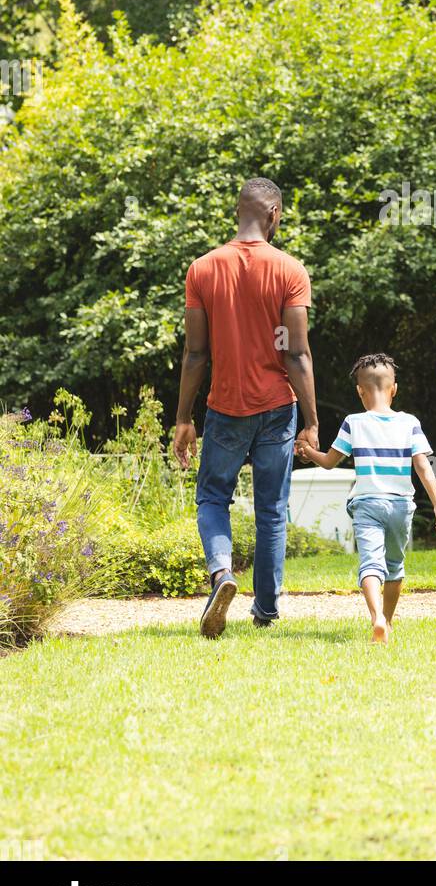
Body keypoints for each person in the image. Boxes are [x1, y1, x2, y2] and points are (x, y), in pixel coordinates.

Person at [172, 177, 318, 637]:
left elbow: (196, 354)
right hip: (277, 408)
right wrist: (311, 422)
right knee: (271, 509)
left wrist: (182, 418)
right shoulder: (290, 270)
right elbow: (296, 353)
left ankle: (222, 574)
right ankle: (266, 611)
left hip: (226, 408)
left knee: (213, 497)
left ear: (240, 212)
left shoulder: (202, 269)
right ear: (274, 214)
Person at [296, 353, 436, 642]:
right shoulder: (409, 423)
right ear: (394, 389)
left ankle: (376, 617)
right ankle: (387, 621)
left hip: (367, 504)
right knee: (394, 566)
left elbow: (329, 461)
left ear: (360, 391)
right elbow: (424, 467)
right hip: (401, 505)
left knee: (370, 564)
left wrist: (306, 451)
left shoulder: (354, 422)